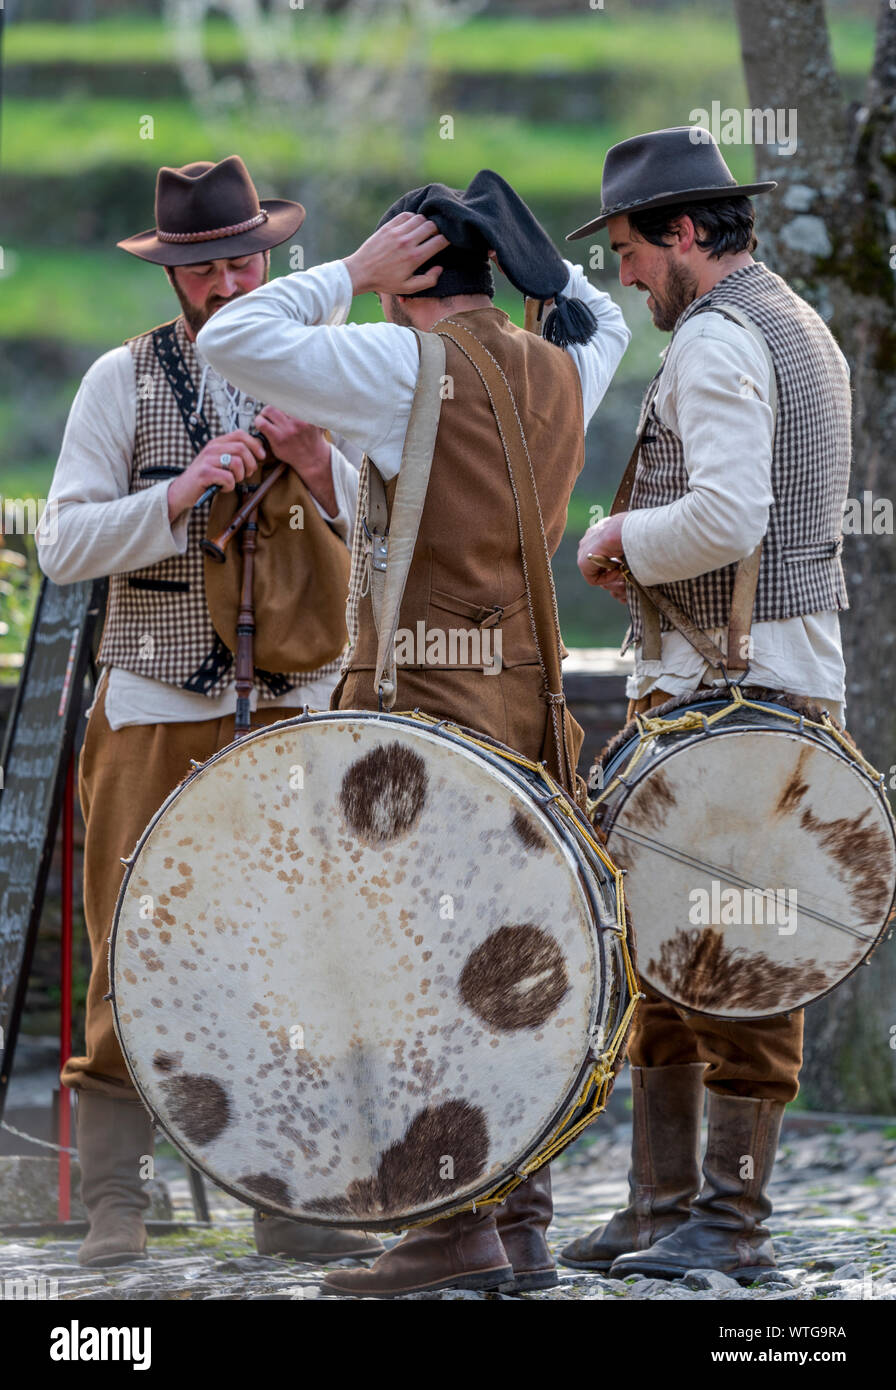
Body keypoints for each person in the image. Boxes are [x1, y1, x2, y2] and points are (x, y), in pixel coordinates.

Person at [197, 168, 631, 1296]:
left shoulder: (402, 364)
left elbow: (230, 340)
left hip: (428, 719)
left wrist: (347, 273)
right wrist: (531, 256)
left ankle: (447, 1230)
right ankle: (519, 1223)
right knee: (511, 975)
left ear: (408, 282)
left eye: (393, 274)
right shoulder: (564, 367)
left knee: (418, 978)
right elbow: (608, 315)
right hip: (528, 715)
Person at [36, 155, 383, 1268]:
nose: (227, 283)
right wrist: (176, 495)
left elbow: (397, 544)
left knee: (296, 955)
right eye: (203, 267)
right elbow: (60, 543)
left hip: (297, 714)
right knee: (130, 947)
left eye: (242, 260)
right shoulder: (117, 381)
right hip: (151, 708)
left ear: (271, 258)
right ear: (172, 273)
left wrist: (319, 466)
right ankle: (112, 1201)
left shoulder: (335, 379)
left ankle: (288, 1192)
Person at [562, 127, 851, 1281]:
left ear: (683, 235)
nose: (625, 274)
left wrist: (613, 536)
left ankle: (724, 1227)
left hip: (738, 698)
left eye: (630, 249)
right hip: (742, 694)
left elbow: (727, 519)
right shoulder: (786, 319)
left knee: (744, 962)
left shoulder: (720, 339)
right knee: (675, 952)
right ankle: (661, 1207)